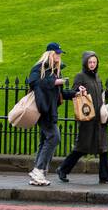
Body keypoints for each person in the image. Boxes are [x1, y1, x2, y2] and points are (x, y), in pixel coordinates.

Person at [57, 51, 108, 185]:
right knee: (81, 147)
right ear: (85, 63)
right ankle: (62, 169)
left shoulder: (97, 77)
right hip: (87, 119)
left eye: (94, 62)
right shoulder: (80, 77)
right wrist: (80, 92)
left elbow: (101, 97)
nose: (92, 64)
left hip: (100, 119)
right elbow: (74, 95)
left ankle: (105, 177)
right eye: (90, 62)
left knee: (103, 148)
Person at [27, 43, 75, 186]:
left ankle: (38, 175)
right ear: (50, 54)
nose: (59, 56)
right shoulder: (39, 67)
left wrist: (76, 93)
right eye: (57, 53)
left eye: (60, 54)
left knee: (44, 141)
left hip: (51, 109)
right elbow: (33, 82)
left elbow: (59, 94)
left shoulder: (56, 71)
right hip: (43, 109)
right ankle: (39, 170)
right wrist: (54, 82)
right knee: (54, 137)